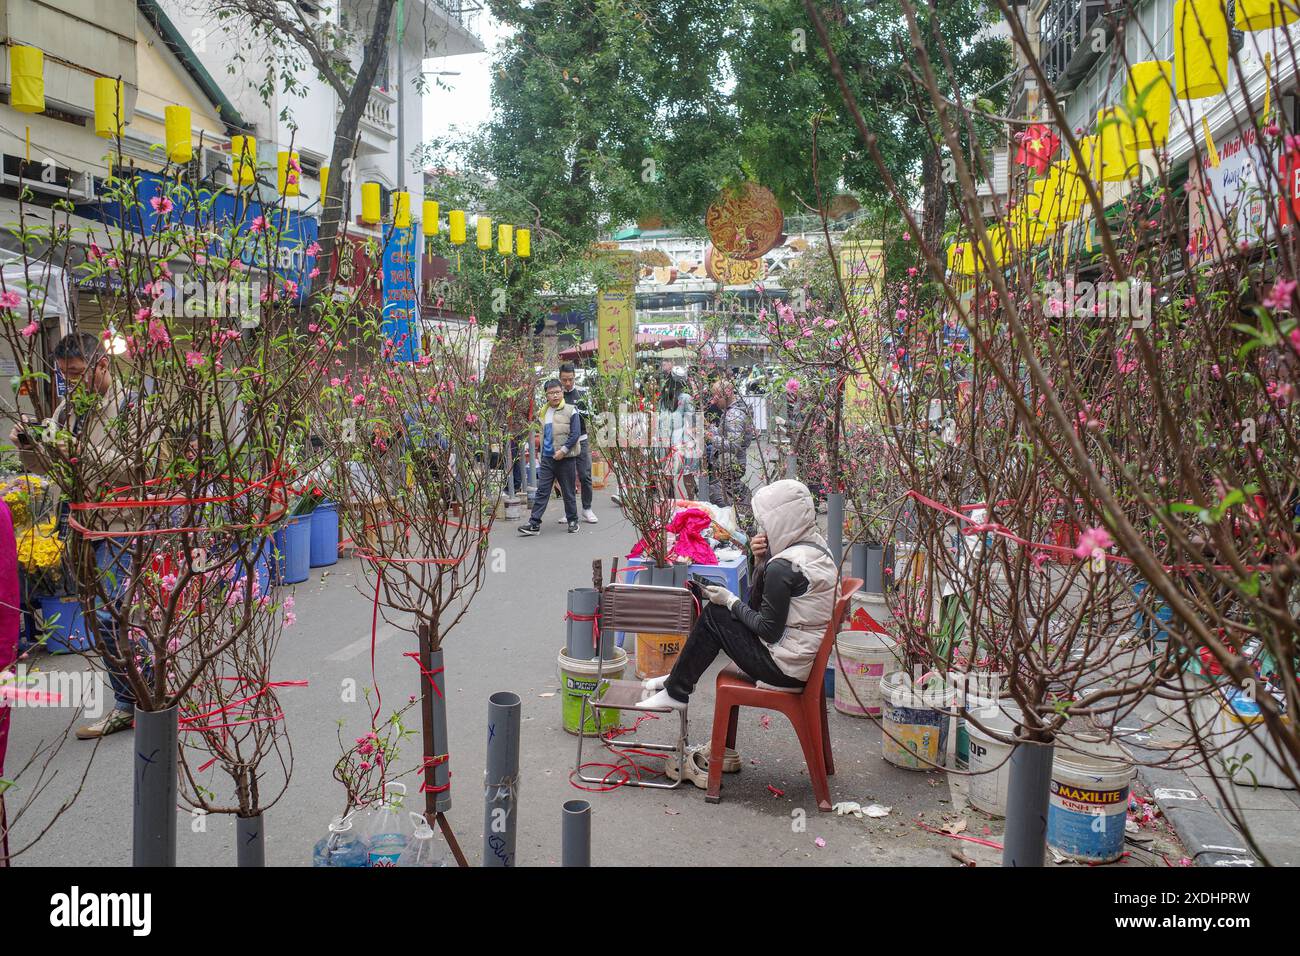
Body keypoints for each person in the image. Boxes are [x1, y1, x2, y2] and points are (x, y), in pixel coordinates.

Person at [12, 332, 148, 739]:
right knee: (100, 618)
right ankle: (138, 697)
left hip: (123, 527)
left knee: (115, 617)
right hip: (81, 526)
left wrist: (75, 446)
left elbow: (140, 467)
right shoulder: (68, 409)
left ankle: (136, 701)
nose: (71, 381)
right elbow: (47, 467)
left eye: (77, 373)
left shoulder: (132, 406)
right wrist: (29, 444)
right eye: (64, 373)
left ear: (101, 365)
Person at [638, 479, 838, 710]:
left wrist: (730, 600)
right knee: (720, 613)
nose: (763, 530)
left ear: (780, 521)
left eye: (765, 523)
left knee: (715, 614)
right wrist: (761, 561)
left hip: (785, 669)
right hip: (801, 661)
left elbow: (766, 630)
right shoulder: (817, 547)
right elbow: (757, 607)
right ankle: (677, 680)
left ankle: (677, 690)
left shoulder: (784, 566)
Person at [518, 379, 582, 536]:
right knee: (542, 491)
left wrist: (564, 450)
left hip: (565, 458)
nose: (555, 395)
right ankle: (534, 524)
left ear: (562, 392)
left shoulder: (571, 410)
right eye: (551, 393)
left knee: (568, 491)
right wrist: (540, 453)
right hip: (547, 458)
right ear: (546, 395)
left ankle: (573, 520)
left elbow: (575, 434)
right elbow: (544, 435)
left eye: (558, 392)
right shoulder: (543, 412)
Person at [705, 378, 755, 518]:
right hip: (729, 464)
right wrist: (711, 430)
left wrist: (710, 438)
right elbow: (728, 436)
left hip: (730, 465)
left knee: (726, 499)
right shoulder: (732, 411)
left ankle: (742, 528)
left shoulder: (734, 414)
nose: (714, 401)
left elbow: (733, 445)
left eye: (716, 397)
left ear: (726, 395)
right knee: (731, 497)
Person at [557, 362, 597, 524]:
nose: (567, 383)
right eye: (564, 380)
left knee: (585, 474)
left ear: (575, 377)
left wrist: (575, 411)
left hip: (581, 439)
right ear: (560, 378)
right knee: (567, 477)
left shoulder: (583, 392)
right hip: (563, 441)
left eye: (570, 379)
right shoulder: (556, 394)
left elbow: (591, 415)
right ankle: (570, 512)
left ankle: (587, 509)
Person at [656, 366, 700, 500]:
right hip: (683, 440)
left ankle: (670, 504)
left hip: (665, 440)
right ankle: (691, 502)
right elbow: (692, 419)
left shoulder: (662, 398)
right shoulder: (686, 398)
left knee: (668, 474)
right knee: (688, 473)